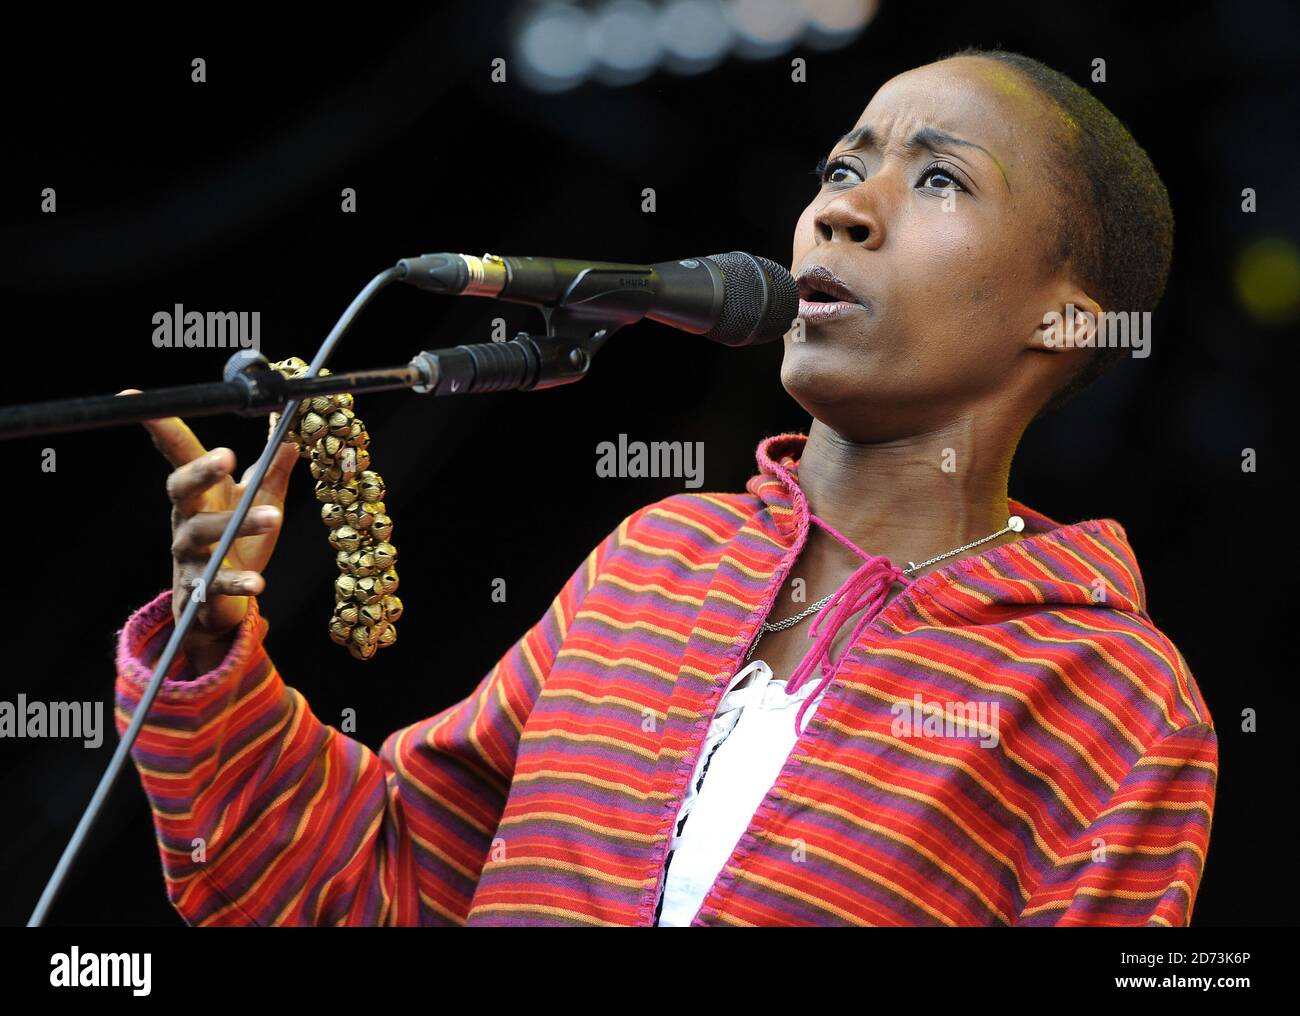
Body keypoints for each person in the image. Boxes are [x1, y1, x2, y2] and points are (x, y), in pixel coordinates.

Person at [113, 48, 1216, 926]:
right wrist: (209, 652)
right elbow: (377, 881)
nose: (843, 210)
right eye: (841, 167)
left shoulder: (1108, 691)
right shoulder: (659, 558)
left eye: (938, 178)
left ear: (1066, 319)